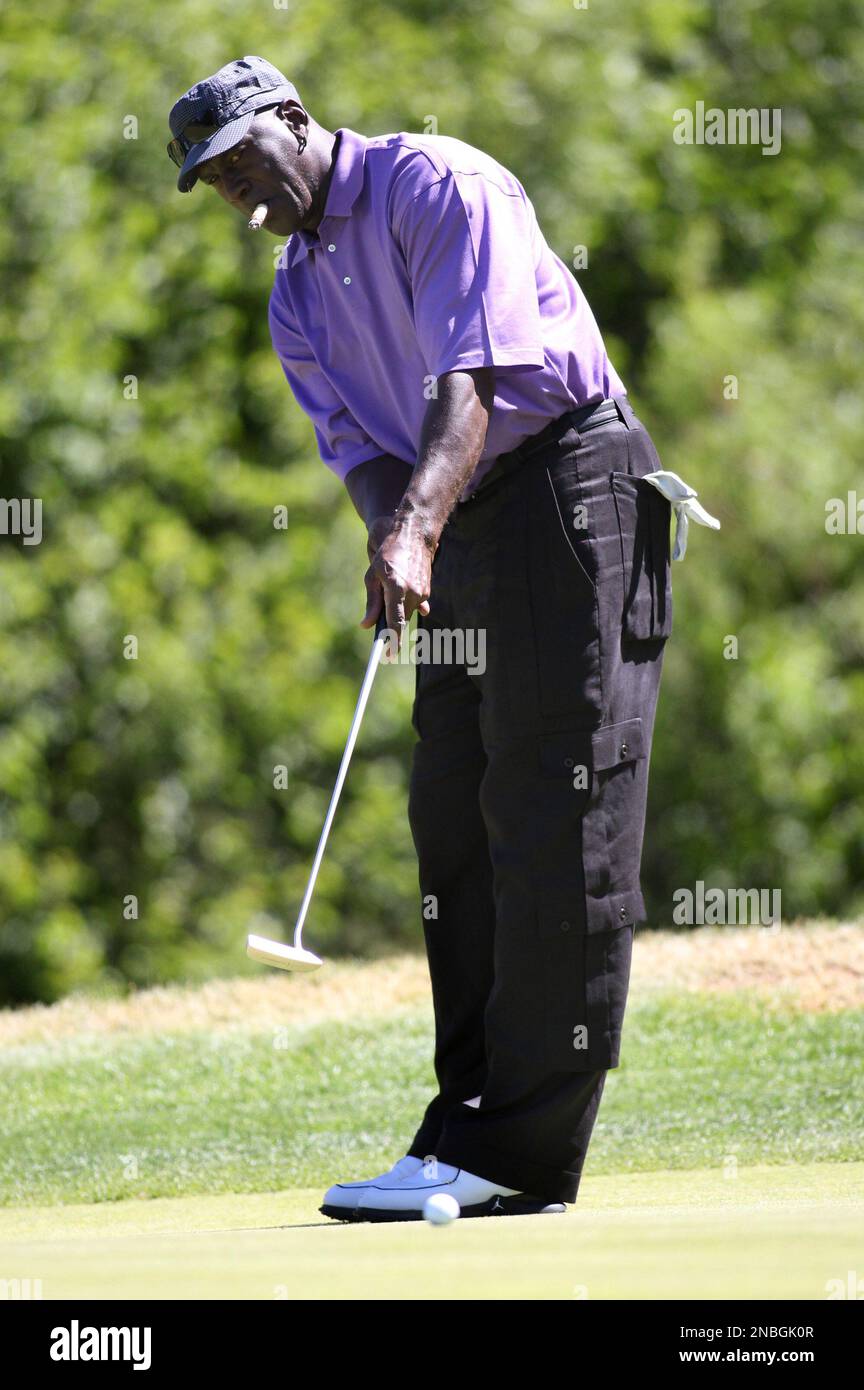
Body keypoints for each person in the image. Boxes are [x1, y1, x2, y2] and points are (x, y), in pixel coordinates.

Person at [167, 55, 717, 1222]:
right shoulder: (294, 293)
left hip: (573, 488)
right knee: (454, 820)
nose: (234, 194)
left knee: (551, 803)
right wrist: (393, 537)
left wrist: (415, 531)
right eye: (209, 185)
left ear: (296, 123)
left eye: (238, 162)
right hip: (456, 521)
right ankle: (465, 1125)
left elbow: (468, 377)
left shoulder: (437, 185)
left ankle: (522, 1152)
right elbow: (362, 450)